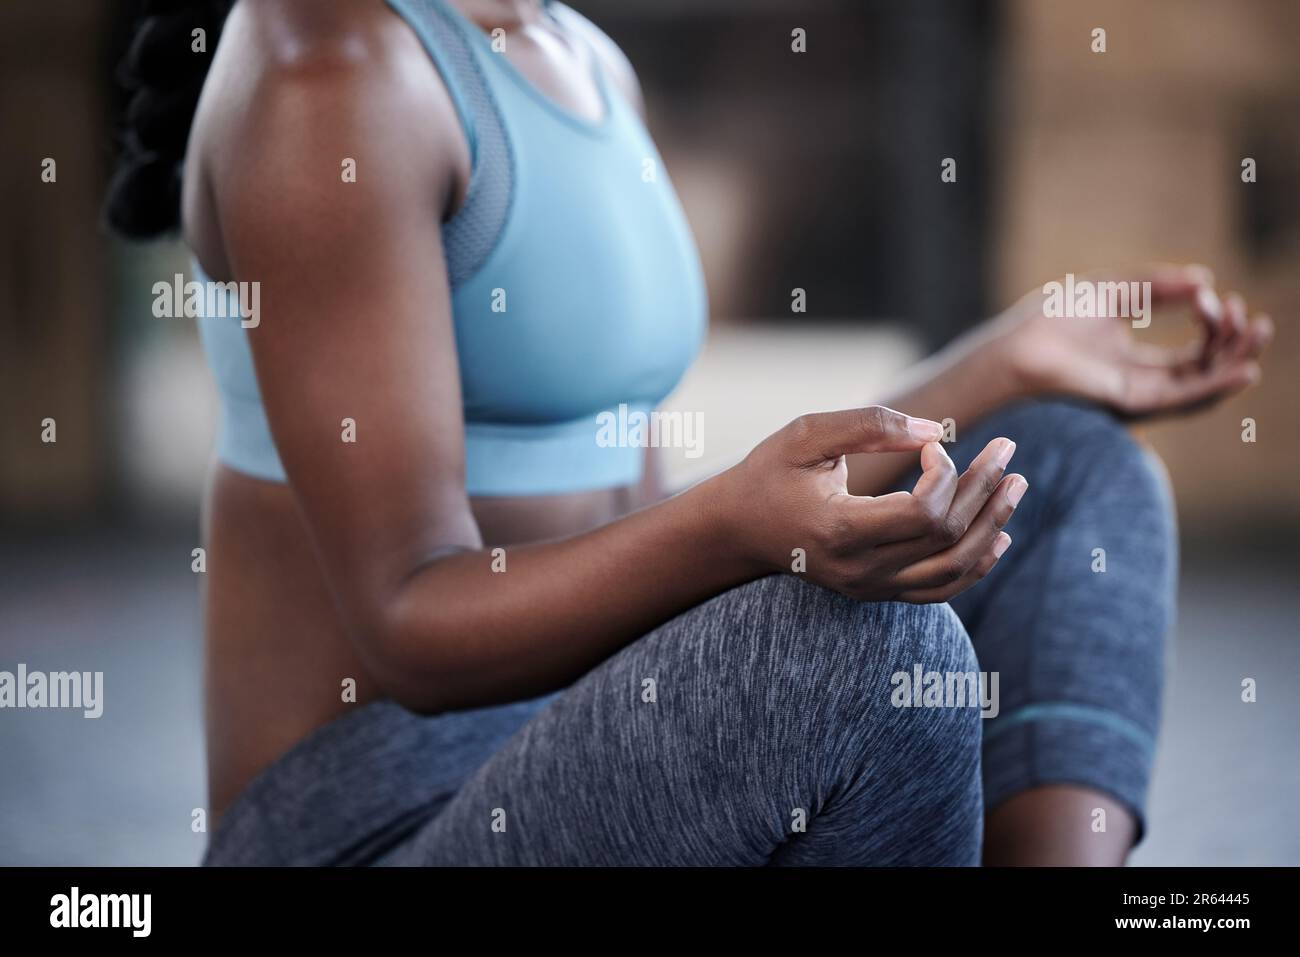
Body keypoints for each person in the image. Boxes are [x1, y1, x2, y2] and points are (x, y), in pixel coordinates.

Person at [104, 0, 1272, 865]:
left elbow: (644, 544)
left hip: (590, 733)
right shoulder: (330, 70)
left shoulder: (581, 55)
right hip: (376, 823)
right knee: (869, 658)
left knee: (1072, 467)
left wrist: (1005, 361)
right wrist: (740, 531)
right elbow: (410, 621)